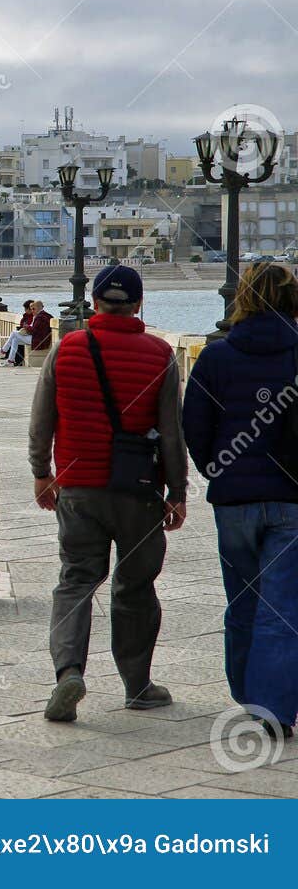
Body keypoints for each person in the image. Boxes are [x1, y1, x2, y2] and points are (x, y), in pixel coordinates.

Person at [29, 263, 187, 723]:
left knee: (76, 580)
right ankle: (137, 686)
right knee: (135, 587)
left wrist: (42, 473)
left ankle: (68, 674)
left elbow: (42, 420)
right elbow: (172, 433)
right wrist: (177, 492)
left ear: (94, 303)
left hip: (78, 486)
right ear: (139, 305)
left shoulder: (69, 348)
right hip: (138, 491)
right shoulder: (160, 355)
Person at [183, 262, 298, 740]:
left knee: (244, 600)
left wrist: (218, 469)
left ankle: (248, 695)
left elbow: (195, 424)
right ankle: (272, 706)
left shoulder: (216, 356)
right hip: (292, 498)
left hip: (233, 500)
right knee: (283, 605)